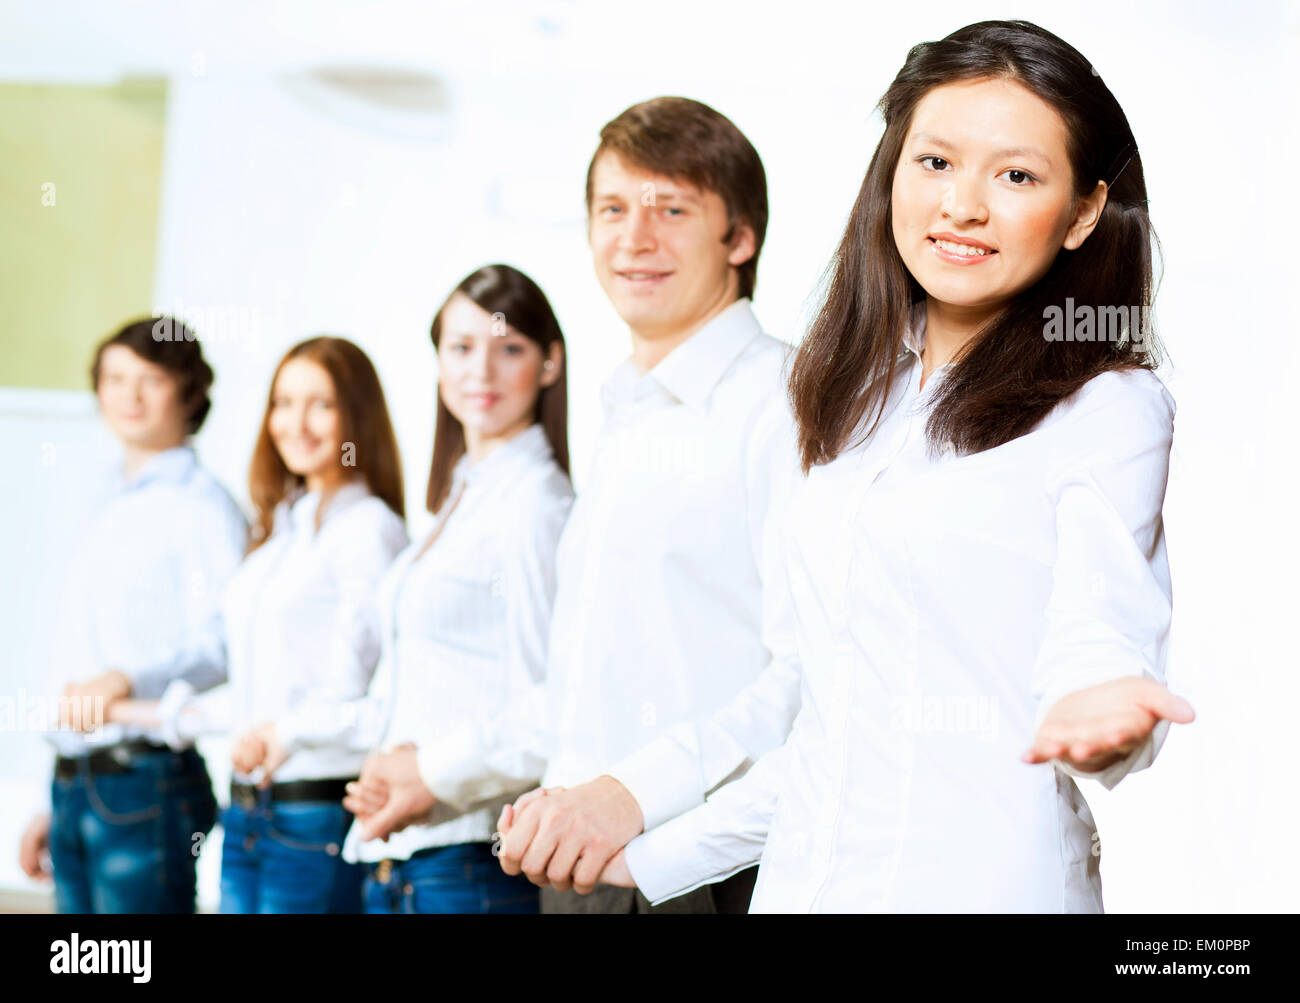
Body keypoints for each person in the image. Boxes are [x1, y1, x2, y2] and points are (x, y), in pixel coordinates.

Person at [586, 20, 1195, 912]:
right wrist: (649, 859)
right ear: (891, 171)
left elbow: (1097, 635)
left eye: (1016, 175)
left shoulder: (1107, 405)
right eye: (936, 162)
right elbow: (830, 734)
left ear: (1084, 212)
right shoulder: (836, 396)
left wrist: (1101, 714)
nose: (962, 206)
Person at [475, 97, 801, 914]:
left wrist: (631, 792)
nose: (634, 236)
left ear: (741, 236)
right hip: (575, 869)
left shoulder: (787, 403)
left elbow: (811, 674)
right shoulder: (626, 413)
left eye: (672, 208)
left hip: (700, 869)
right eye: (613, 208)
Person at [106, 336, 408, 913]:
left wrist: (284, 734)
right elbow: (254, 701)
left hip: (315, 816)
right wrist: (128, 710)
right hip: (246, 811)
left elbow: (364, 703)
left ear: (356, 415)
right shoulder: (280, 536)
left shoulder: (368, 532)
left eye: (320, 403)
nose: (296, 422)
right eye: (283, 403)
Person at [318, 265, 574, 914]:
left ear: (549, 364)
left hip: (468, 865)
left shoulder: (536, 506)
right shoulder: (462, 494)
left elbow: (552, 703)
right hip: (405, 859)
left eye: (508, 348)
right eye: (461, 348)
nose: (480, 371)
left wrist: (430, 769)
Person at [17, 317, 247, 913]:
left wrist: (128, 679)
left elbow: (225, 642)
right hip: (78, 782)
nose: (129, 395)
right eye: (115, 378)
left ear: (190, 393)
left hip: (146, 783)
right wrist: (57, 798)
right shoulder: (103, 500)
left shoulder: (202, 504)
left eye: (150, 378)